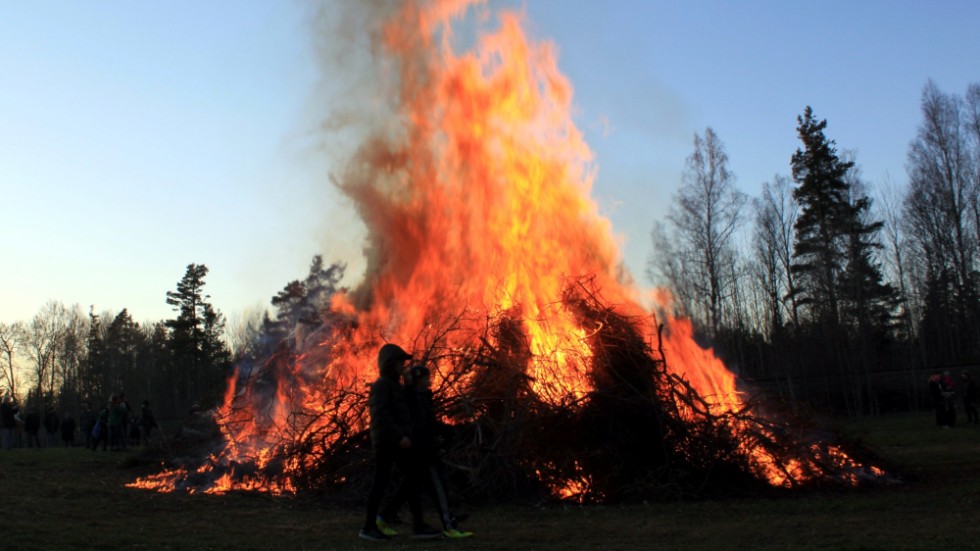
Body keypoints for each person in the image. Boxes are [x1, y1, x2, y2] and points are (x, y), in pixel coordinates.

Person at [378, 365, 472, 539]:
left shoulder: (420, 397)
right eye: (426, 378)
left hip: (422, 448)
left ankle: (385, 516)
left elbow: (428, 423)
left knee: (412, 483)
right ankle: (449, 526)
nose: (429, 381)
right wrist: (435, 440)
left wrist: (447, 431)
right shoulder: (413, 399)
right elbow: (420, 426)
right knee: (437, 486)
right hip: (423, 450)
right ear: (419, 380)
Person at [359, 343, 440, 541]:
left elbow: (408, 408)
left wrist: (410, 387)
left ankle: (418, 525)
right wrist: (399, 436)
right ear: (390, 363)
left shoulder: (396, 386)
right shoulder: (382, 386)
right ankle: (369, 527)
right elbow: (381, 416)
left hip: (397, 441)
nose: (403, 365)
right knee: (380, 483)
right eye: (399, 362)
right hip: (387, 442)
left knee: (413, 477)